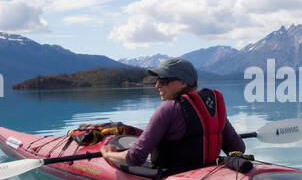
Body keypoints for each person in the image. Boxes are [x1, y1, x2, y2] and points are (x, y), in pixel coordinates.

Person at [101, 57, 247, 174]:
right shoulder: (213, 109)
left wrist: (108, 154)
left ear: (183, 83)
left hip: (174, 177)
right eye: (157, 80)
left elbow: (134, 158)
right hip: (209, 171)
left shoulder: (168, 110)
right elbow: (238, 147)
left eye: (164, 80)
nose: (157, 85)